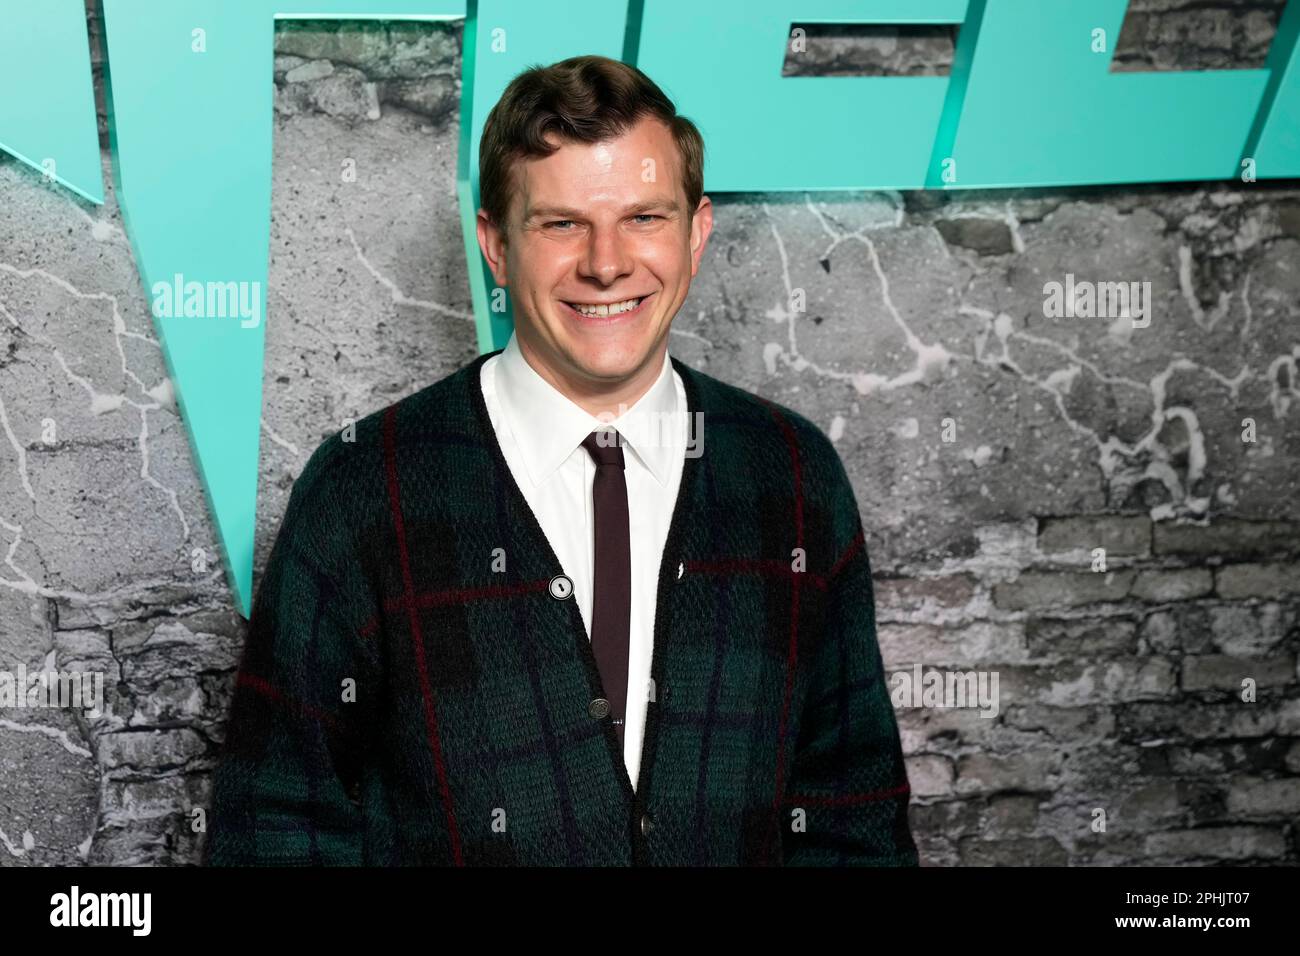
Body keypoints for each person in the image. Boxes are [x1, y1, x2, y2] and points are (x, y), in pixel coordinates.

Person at [205, 54, 918, 866]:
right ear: (496, 246)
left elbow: (851, 814)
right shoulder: (365, 487)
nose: (606, 263)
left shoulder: (791, 475)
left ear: (697, 233)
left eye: (645, 218)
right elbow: (275, 827)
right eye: (561, 223)